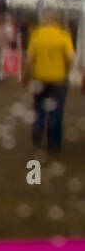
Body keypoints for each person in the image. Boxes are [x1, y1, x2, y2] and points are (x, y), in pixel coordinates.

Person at [23, 12, 74, 153]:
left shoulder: (36, 35)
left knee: (39, 108)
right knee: (56, 112)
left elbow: (28, 60)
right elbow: (70, 58)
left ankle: (38, 128)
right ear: (58, 23)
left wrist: (26, 77)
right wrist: (66, 71)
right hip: (58, 80)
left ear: (45, 22)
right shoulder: (64, 36)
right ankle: (54, 143)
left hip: (39, 79)